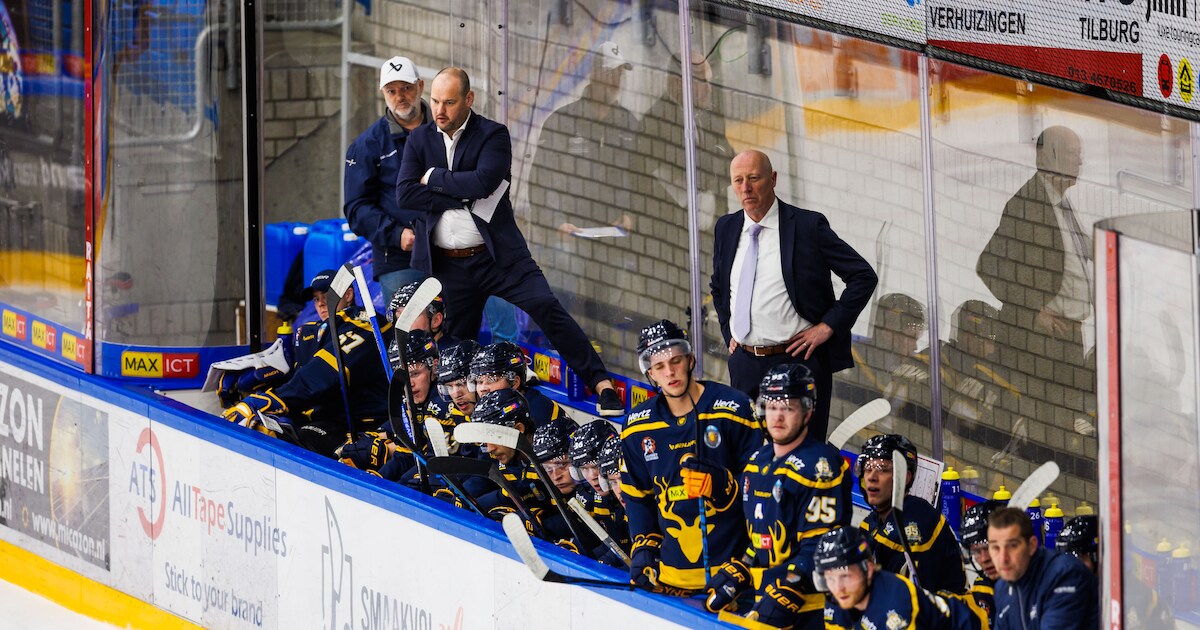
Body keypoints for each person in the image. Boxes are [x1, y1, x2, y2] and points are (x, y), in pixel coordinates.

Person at [395, 66, 625, 417]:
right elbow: (406, 195)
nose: (439, 111)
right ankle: (465, 421)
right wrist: (461, 191)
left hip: (497, 257)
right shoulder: (420, 139)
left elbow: (485, 183)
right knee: (456, 346)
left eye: (450, 102)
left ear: (469, 100)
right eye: (436, 101)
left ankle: (601, 384)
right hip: (447, 265)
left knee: (547, 307)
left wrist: (436, 179)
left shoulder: (493, 135)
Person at [711, 149, 877, 438]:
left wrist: (827, 327)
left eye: (753, 178)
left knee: (802, 458)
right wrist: (729, 332)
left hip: (797, 362)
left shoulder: (807, 226)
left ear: (773, 179)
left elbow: (862, 276)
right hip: (745, 363)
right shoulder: (726, 228)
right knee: (749, 456)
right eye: (738, 181)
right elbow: (719, 287)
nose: (746, 188)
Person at [619, 319, 763, 592]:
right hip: (671, 581)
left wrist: (723, 486)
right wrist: (644, 546)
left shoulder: (735, 408)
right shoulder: (637, 426)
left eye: (676, 361)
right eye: (660, 367)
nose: (670, 372)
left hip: (735, 577)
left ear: (691, 359)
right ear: (650, 374)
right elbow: (637, 495)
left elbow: (762, 488)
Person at [704, 363, 852, 629]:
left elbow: (821, 546)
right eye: (772, 407)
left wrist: (791, 584)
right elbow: (763, 539)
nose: (778, 417)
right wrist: (744, 566)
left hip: (812, 610)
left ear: (807, 412)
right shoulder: (755, 463)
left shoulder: (821, 467)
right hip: (766, 600)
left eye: (788, 408)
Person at [527, 41, 639, 323]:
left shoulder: (628, 123)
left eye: (619, 75)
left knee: (611, 297)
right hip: (570, 230)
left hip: (611, 231)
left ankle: (606, 346)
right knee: (567, 279)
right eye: (609, 73)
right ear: (593, 74)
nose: (615, 81)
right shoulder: (562, 120)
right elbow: (541, 179)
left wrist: (630, 213)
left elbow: (638, 178)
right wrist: (556, 221)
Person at [223, 279, 391, 458]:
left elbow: (321, 375)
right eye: (316, 299)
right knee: (257, 426)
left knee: (284, 443)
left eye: (326, 296)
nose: (321, 303)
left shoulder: (366, 325)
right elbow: (300, 373)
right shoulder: (313, 331)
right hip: (324, 418)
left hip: (360, 425)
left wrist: (270, 399)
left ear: (348, 295)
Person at [977, 126, 1090, 370]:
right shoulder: (1027, 204)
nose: (1079, 161)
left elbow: (1074, 254)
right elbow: (988, 266)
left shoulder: (1060, 203)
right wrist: (1033, 313)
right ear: (1047, 157)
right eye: (1072, 153)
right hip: (1039, 342)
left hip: (1066, 336)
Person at [344, 56, 430, 299]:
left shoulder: (444, 129)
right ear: (382, 92)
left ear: (420, 86)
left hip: (451, 252)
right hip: (398, 258)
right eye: (391, 91)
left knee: (456, 331)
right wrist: (396, 234)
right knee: (408, 333)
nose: (399, 96)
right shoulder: (367, 145)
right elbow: (356, 208)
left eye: (406, 88)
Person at [856, 434, 968, 594]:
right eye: (867, 469)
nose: (871, 477)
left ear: (905, 477)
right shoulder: (872, 521)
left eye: (883, 469)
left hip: (946, 615)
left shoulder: (916, 527)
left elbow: (911, 603)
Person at [813, 527, 985, 630]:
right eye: (830, 578)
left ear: (869, 569)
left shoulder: (895, 605)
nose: (838, 588)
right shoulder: (837, 597)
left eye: (846, 576)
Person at [988, 506, 1098, 630]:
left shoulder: (1066, 575)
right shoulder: (1002, 587)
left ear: (1032, 545)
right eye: (995, 548)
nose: (1003, 558)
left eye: (1012, 546)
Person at [958, 500, 1003, 626]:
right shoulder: (982, 587)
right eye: (976, 551)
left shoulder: (1041, 580)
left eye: (988, 547)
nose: (984, 559)